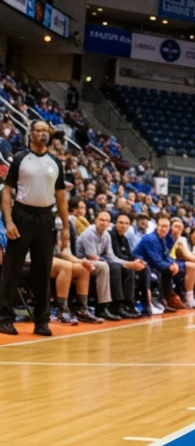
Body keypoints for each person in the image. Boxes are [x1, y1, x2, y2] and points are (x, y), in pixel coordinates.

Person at [0, 120, 70, 337]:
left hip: (45, 218)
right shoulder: (21, 159)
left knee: (43, 270)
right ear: (31, 133)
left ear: (49, 134)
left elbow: (61, 197)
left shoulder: (55, 163)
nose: (42, 134)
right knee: (12, 269)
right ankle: (4, 318)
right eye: (38, 130)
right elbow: (7, 191)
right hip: (22, 215)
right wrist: (9, 221)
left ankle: (41, 321)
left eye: (45, 131)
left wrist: (66, 226)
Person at [76, 211, 137, 320]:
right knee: (109, 266)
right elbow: (92, 256)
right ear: (96, 221)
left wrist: (127, 263)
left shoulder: (106, 235)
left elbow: (111, 256)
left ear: (109, 223)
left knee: (126, 268)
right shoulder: (89, 233)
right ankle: (105, 307)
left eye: (107, 221)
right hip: (82, 261)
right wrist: (115, 261)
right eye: (101, 220)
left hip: (97, 262)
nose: (104, 223)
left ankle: (126, 304)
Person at [134, 215, 184, 311]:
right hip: (142, 264)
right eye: (162, 226)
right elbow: (156, 260)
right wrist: (170, 266)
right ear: (157, 226)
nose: (164, 229)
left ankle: (166, 299)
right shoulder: (150, 239)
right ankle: (153, 301)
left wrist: (173, 263)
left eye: (166, 227)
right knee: (164, 271)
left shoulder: (163, 238)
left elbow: (166, 255)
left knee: (170, 270)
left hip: (152, 264)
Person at [111, 212, 157, 315]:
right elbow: (115, 254)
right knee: (129, 270)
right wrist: (131, 263)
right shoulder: (111, 236)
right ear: (116, 224)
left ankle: (146, 303)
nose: (123, 225)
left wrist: (138, 260)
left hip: (124, 262)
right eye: (121, 223)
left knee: (145, 268)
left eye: (126, 223)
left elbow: (129, 254)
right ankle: (127, 304)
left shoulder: (125, 238)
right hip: (114, 263)